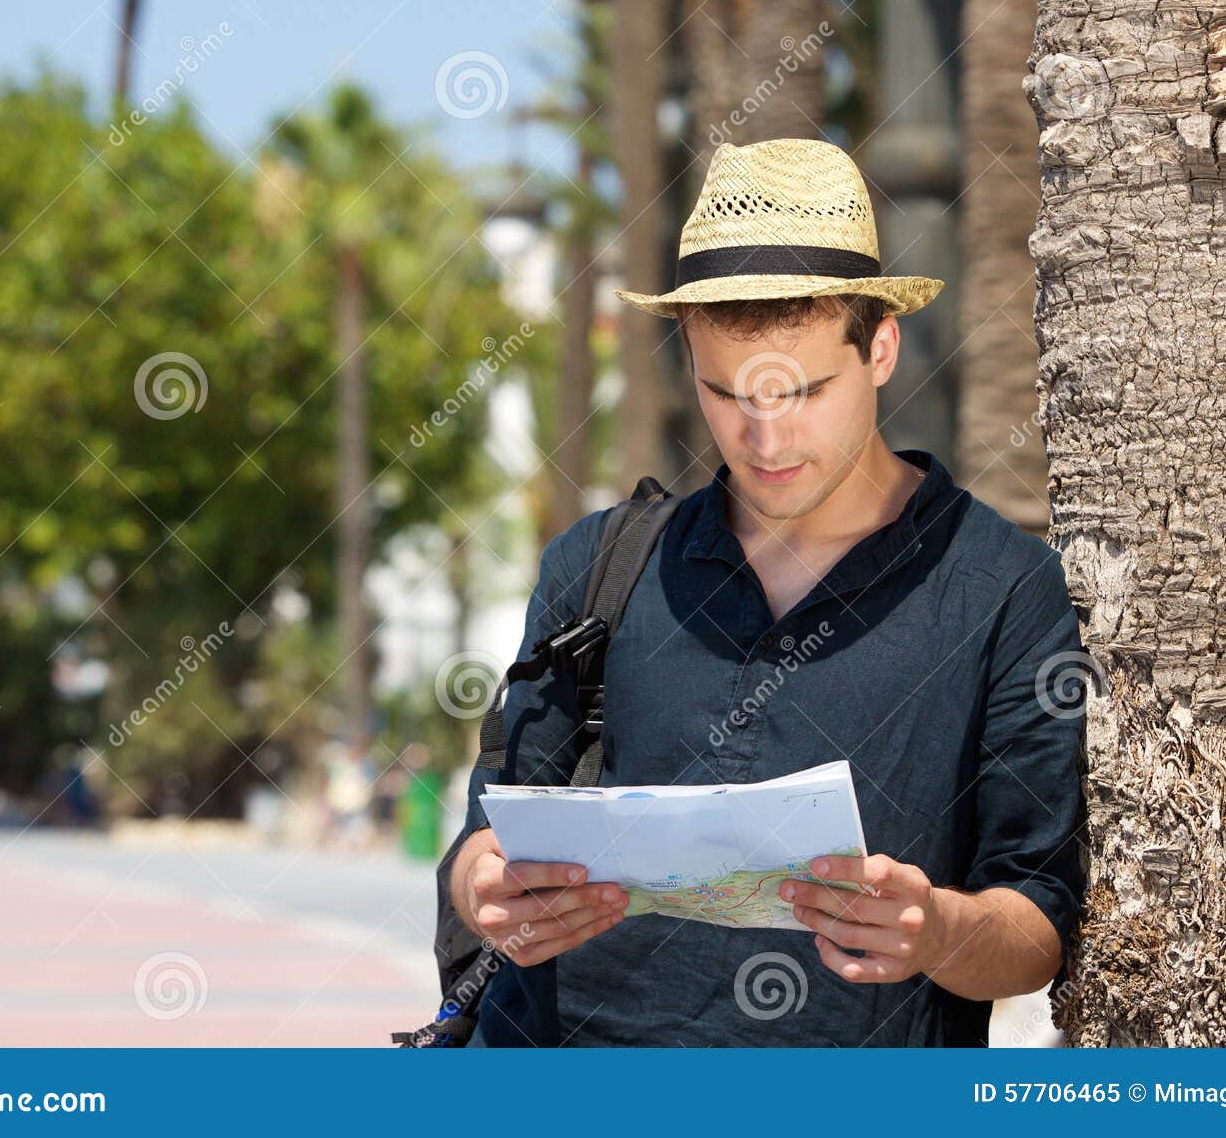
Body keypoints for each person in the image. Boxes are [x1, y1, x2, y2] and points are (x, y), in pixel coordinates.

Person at [447, 138, 1089, 1047]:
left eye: (803, 392)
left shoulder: (1003, 589)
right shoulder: (597, 565)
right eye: (727, 393)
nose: (766, 437)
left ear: (881, 348)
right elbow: (488, 834)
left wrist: (936, 929)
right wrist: (486, 891)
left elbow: (1037, 924)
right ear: (688, 361)